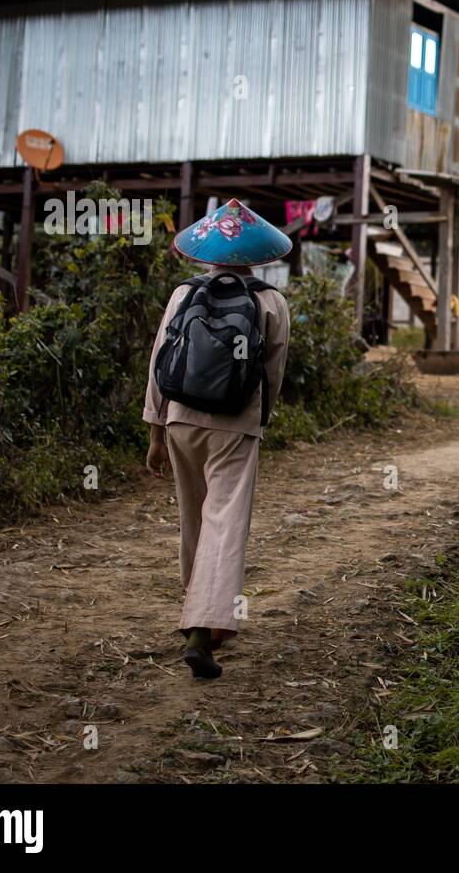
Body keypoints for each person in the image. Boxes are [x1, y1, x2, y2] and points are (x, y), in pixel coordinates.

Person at [143, 198, 292, 679]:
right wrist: (259, 422)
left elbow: (158, 363)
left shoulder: (182, 295)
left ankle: (196, 612)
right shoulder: (271, 302)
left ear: (207, 253)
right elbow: (272, 373)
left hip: (180, 419)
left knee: (194, 518)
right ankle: (203, 629)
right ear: (256, 256)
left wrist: (155, 430)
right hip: (236, 424)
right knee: (224, 523)